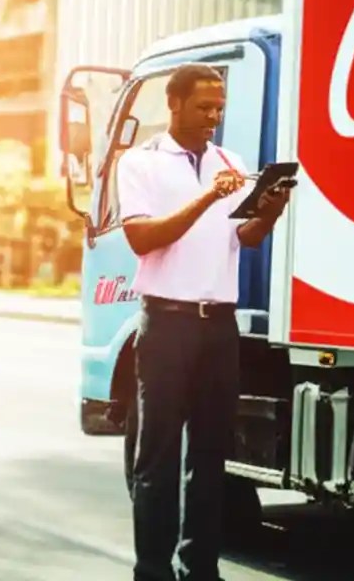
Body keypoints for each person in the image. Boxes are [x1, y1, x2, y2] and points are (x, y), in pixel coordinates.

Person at [115, 63, 291, 581]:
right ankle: (152, 570)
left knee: (211, 457)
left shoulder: (228, 162)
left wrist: (271, 210)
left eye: (219, 108)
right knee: (158, 459)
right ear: (173, 105)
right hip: (166, 324)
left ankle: (201, 569)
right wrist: (209, 196)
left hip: (219, 326)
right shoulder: (140, 163)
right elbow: (143, 239)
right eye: (203, 108)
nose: (213, 117)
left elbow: (246, 238)